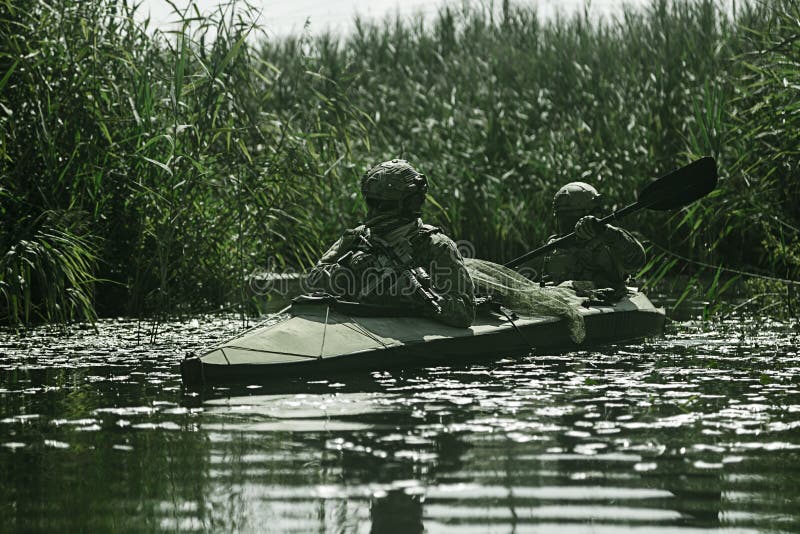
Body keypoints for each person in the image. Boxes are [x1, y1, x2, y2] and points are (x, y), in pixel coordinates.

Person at [306, 159, 475, 328]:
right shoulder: (358, 236)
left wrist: (414, 296)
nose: (373, 211)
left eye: (382, 205)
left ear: (409, 203)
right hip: (353, 326)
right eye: (371, 203)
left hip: (406, 332)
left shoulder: (437, 246)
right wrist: (348, 270)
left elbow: (465, 313)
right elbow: (313, 279)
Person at [542, 181, 646, 299]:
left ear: (592, 214)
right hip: (565, 303)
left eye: (571, 218)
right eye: (562, 218)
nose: (565, 224)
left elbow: (638, 261)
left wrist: (604, 230)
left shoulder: (610, 241)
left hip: (609, 305)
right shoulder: (554, 246)